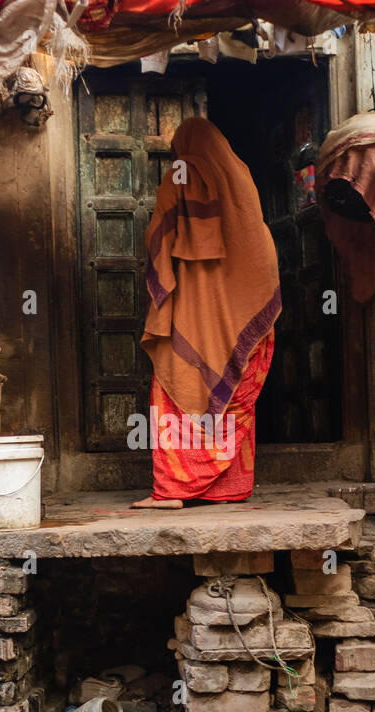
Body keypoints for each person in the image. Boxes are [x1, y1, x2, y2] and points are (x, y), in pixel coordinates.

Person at [132, 117, 281, 509]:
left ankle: (174, 491)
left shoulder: (177, 180)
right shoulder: (241, 179)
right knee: (233, 391)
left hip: (191, 318)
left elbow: (157, 242)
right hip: (248, 316)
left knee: (176, 389)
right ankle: (228, 489)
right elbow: (258, 247)